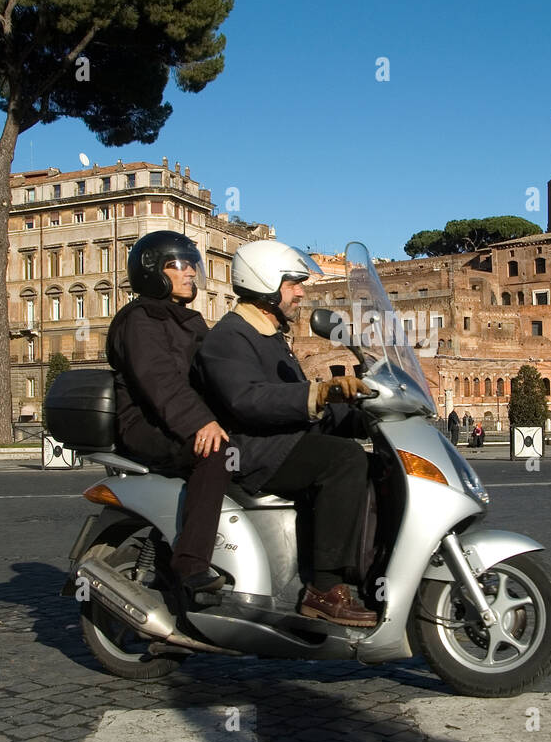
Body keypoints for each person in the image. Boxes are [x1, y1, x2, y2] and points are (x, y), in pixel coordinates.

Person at [195, 239, 377, 628]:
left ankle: (366, 567)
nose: (301, 292)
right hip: (251, 449)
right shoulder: (230, 336)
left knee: (375, 463)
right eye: (293, 283)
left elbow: (307, 411)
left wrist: (365, 417)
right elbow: (248, 400)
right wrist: (320, 391)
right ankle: (324, 589)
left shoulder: (270, 334)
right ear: (265, 283)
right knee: (344, 461)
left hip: (282, 441)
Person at [106, 231, 231, 593]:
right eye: (179, 265)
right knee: (214, 452)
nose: (191, 271)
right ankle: (190, 565)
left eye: (193, 264)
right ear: (152, 271)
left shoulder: (189, 321)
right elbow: (159, 380)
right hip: (145, 423)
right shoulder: (138, 319)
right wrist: (200, 422)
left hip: (180, 418)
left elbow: (217, 372)